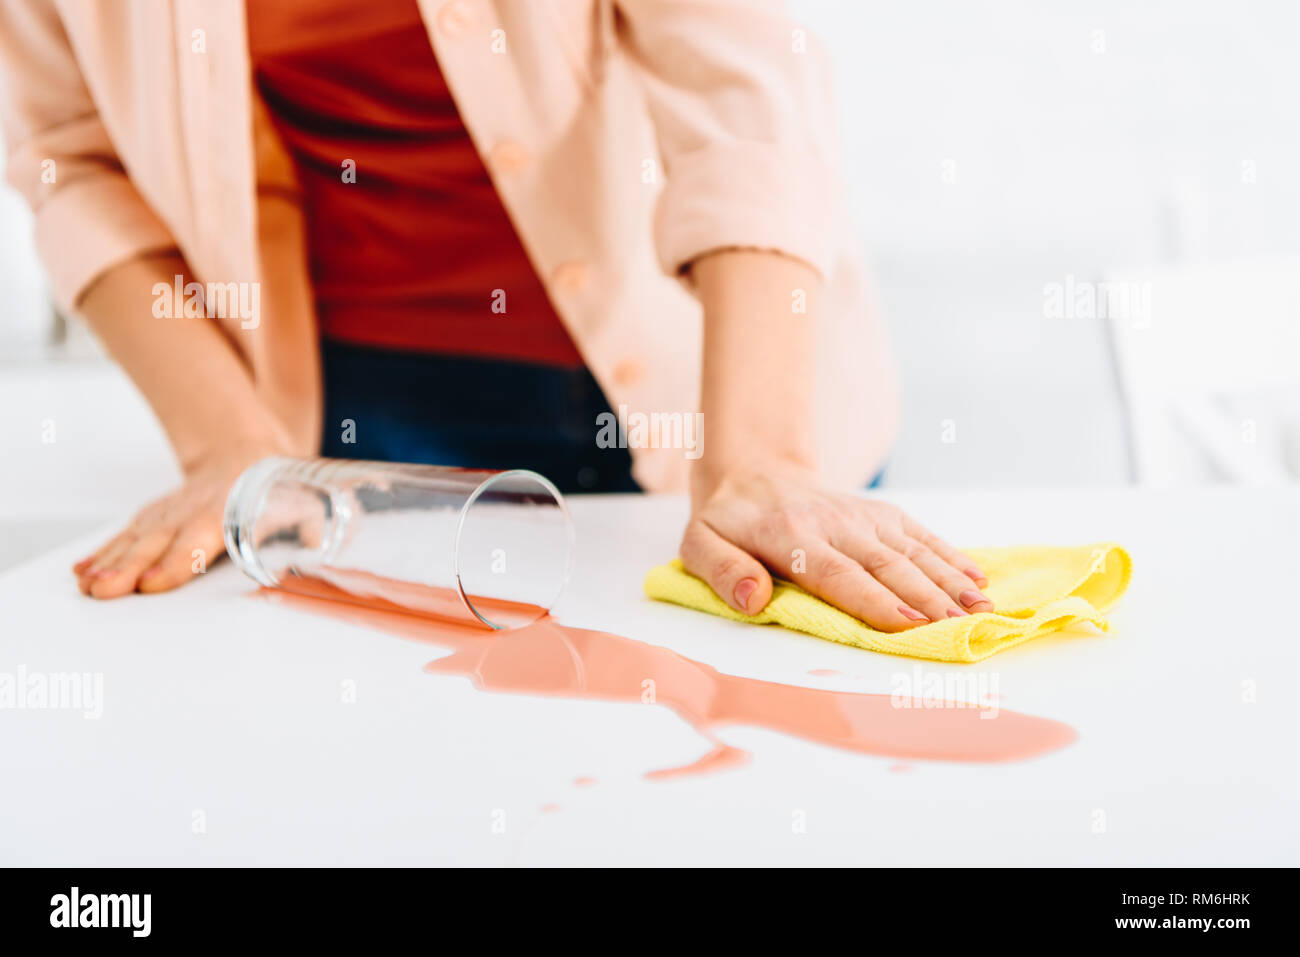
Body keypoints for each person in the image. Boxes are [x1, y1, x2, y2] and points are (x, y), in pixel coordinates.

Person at [0, 0, 993, 629]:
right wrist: (229, 446)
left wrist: (759, 455)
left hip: (721, 376)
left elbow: (745, 91)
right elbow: (72, 159)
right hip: (364, 424)